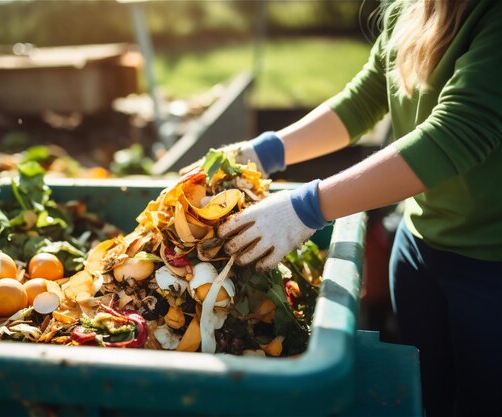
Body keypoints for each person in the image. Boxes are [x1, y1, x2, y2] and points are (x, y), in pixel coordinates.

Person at [195, 1, 501, 416]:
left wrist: (307, 207)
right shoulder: (411, 8)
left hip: (489, 265)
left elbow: (455, 134)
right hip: (418, 248)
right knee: (424, 394)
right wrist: (260, 153)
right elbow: (363, 101)